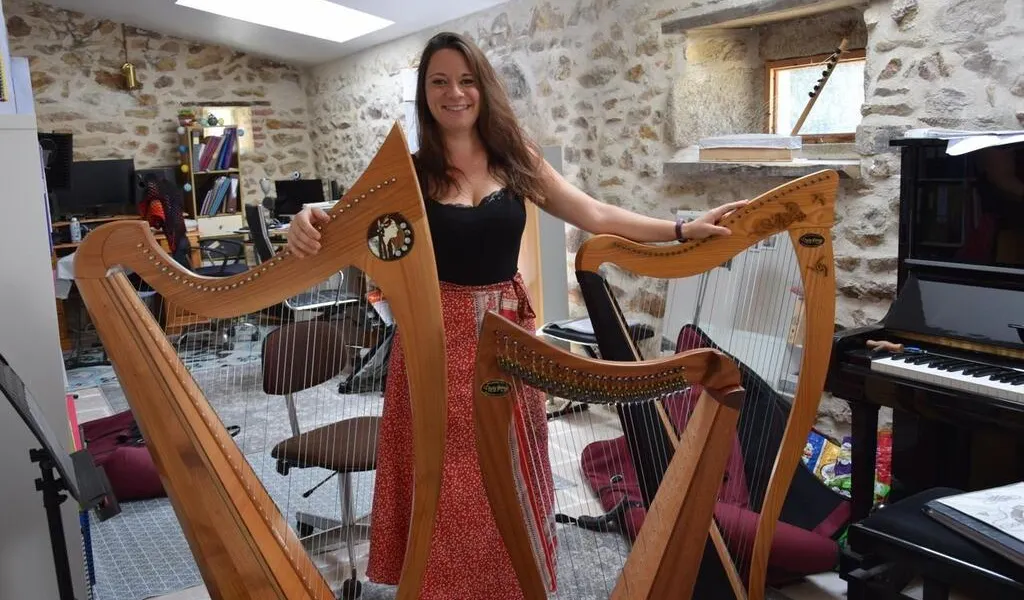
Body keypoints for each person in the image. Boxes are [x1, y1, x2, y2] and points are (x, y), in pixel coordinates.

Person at [285, 30, 747, 600]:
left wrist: (680, 229)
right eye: (439, 81)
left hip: (508, 338)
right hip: (435, 340)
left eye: (466, 80)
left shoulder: (515, 159)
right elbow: (335, 221)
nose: (454, 93)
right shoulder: (408, 174)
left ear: (483, 87)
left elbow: (594, 213)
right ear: (424, 93)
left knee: (509, 471)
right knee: (448, 481)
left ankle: (509, 585)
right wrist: (304, 217)